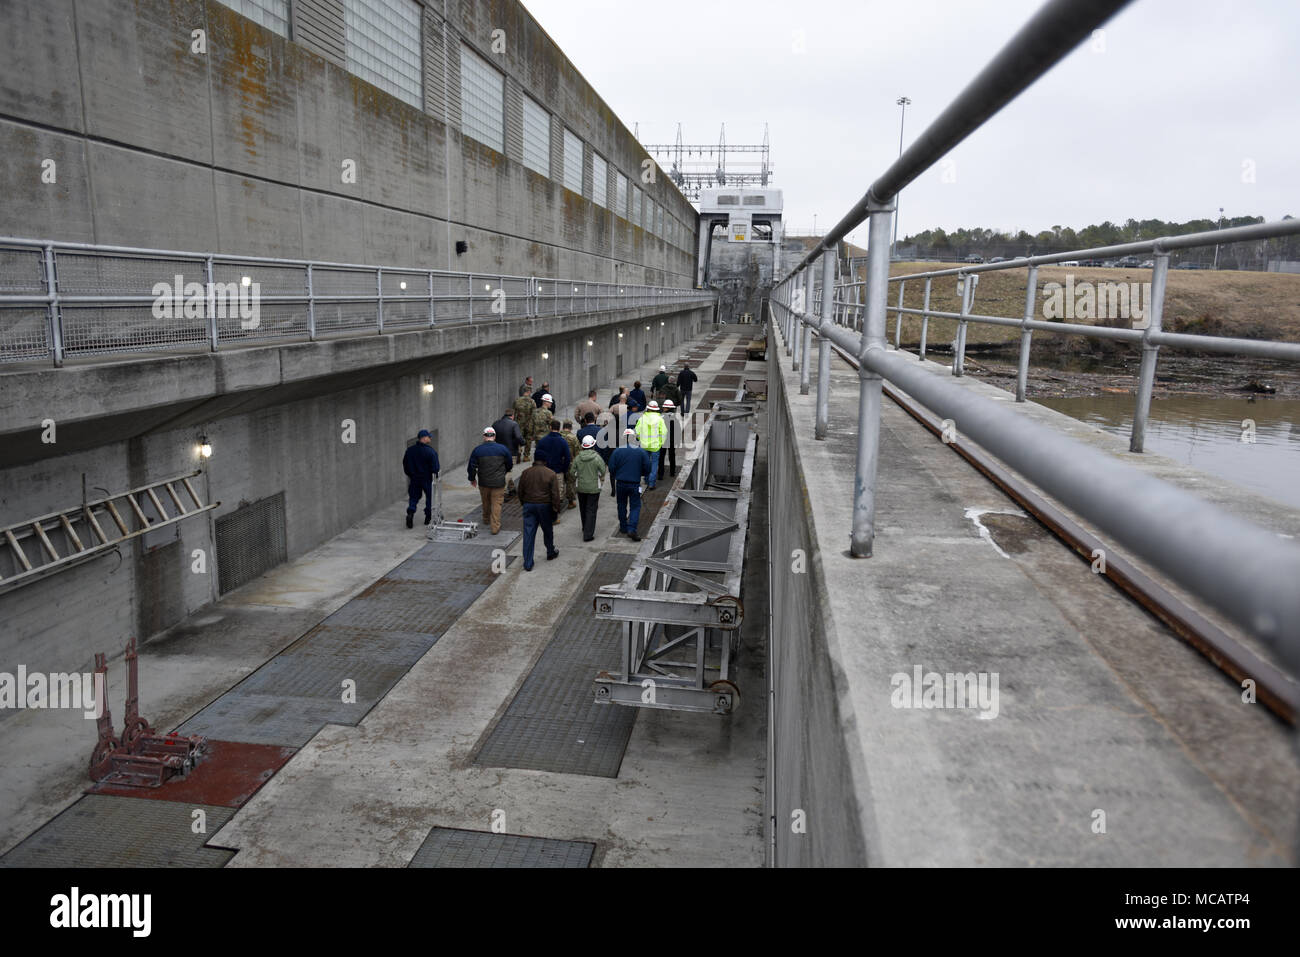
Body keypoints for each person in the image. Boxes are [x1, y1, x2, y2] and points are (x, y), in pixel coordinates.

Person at [467, 427, 513, 535]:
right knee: (496, 504)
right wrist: (503, 472)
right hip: (498, 483)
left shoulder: (477, 450)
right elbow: (509, 465)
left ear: (484, 437)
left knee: (486, 501)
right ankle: (495, 527)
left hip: (484, 482)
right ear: (494, 436)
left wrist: (472, 478)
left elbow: (471, 467)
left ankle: (486, 519)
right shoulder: (503, 449)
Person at [517, 459, 562, 571]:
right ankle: (550, 551)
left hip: (529, 504)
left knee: (528, 533)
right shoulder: (550, 473)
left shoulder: (526, 472)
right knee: (547, 530)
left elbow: (520, 490)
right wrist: (556, 509)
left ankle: (528, 563)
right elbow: (555, 494)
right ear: (545, 461)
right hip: (544, 506)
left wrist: (524, 502)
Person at [608, 429, 651, 541]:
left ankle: (623, 527)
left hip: (621, 483)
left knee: (621, 504)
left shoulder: (617, 451)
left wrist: (617, 474)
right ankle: (632, 529)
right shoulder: (641, 451)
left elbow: (611, 468)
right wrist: (641, 474)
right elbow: (647, 467)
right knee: (635, 506)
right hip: (635, 483)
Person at [402, 429, 441, 528]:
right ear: (423, 438)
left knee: (414, 497)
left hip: (414, 478)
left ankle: (410, 512)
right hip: (427, 479)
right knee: (429, 497)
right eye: (428, 436)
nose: (430, 438)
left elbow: (405, 464)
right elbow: (436, 468)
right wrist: (435, 476)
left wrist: (410, 474)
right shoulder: (430, 452)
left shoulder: (410, 451)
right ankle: (428, 517)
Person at [573, 434, 607, 541]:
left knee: (583, 508)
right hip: (593, 488)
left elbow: (572, 472)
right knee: (591, 510)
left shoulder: (578, 458)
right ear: (593, 446)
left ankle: (585, 528)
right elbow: (602, 471)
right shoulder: (597, 458)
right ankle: (588, 534)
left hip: (581, 487)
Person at [634, 400, 667, 489]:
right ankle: (651, 483)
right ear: (656, 410)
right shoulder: (660, 419)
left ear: (648, 409)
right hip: (655, 446)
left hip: (644, 445)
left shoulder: (642, 418)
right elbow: (664, 432)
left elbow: (636, 431)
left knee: (645, 463)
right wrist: (661, 443)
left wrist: (640, 440)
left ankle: (646, 479)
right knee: (654, 464)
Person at [492, 408, 525, 495]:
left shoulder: (495, 424)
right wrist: (523, 443)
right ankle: (501, 491)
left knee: (503, 470)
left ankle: (512, 488)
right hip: (510, 452)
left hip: (498, 451)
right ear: (513, 416)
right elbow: (518, 437)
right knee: (508, 471)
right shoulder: (514, 424)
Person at [560, 420, 580, 510]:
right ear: (571, 428)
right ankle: (570, 502)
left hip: (558, 462)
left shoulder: (558, 435)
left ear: (563, 427)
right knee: (570, 482)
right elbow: (577, 452)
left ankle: (558, 499)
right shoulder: (573, 437)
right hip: (570, 463)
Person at [659, 399, 681, 481]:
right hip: (672, 441)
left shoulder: (661, 417)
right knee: (672, 456)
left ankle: (660, 474)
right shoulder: (674, 418)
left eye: (664, 407)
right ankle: (672, 472)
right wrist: (678, 441)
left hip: (662, 440)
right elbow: (678, 431)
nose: (663, 408)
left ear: (667, 408)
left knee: (661, 457)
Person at [513, 386, 536, 461]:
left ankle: (519, 451)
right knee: (528, 439)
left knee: (519, 438)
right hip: (529, 423)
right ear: (529, 392)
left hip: (519, 423)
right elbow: (534, 414)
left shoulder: (517, 400)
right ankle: (526, 456)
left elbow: (514, 413)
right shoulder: (532, 401)